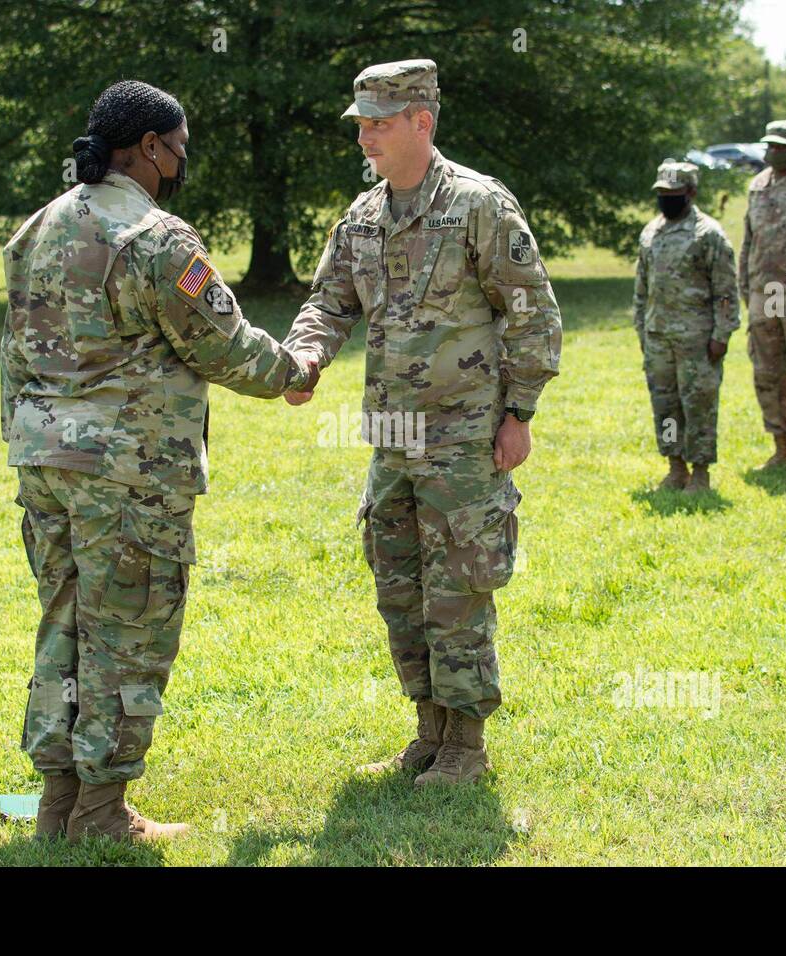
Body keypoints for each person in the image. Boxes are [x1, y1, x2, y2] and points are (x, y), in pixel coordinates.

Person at [0, 80, 319, 841]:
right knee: (129, 635)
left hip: (44, 462)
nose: (181, 162)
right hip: (129, 474)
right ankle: (103, 814)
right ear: (147, 148)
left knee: (65, 626)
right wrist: (294, 371)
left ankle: (58, 805)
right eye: (178, 148)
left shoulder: (37, 227)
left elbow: (15, 351)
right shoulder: (157, 237)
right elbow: (223, 343)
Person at [283, 59, 561, 787]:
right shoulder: (364, 215)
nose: (366, 138)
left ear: (421, 123)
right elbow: (329, 300)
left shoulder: (479, 207)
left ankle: (467, 745)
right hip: (393, 439)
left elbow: (532, 312)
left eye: (379, 123)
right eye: (362, 125)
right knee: (399, 585)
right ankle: (428, 731)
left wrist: (519, 412)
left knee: (460, 584)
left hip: (466, 435)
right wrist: (306, 355)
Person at [635, 159, 739, 493]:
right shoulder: (651, 232)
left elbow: (726, 291)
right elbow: (641, 287)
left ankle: (701, 472)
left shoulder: (708, 234)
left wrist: (721, 335)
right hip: (658, 338)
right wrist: (641, 328)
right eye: (662, 193)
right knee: (665, 407)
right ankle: (675, 466)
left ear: (691, 193)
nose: (666, 198)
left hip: (698, 339)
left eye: (674, 193)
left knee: (699, 407)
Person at [739, 120, 786, 470]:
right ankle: (781, 446)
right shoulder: (757, 185)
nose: (774, 152)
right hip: (762, 292)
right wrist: (744, 287)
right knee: (767, 373)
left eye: (782, 147)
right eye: (770, 145)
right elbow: (748, 241)